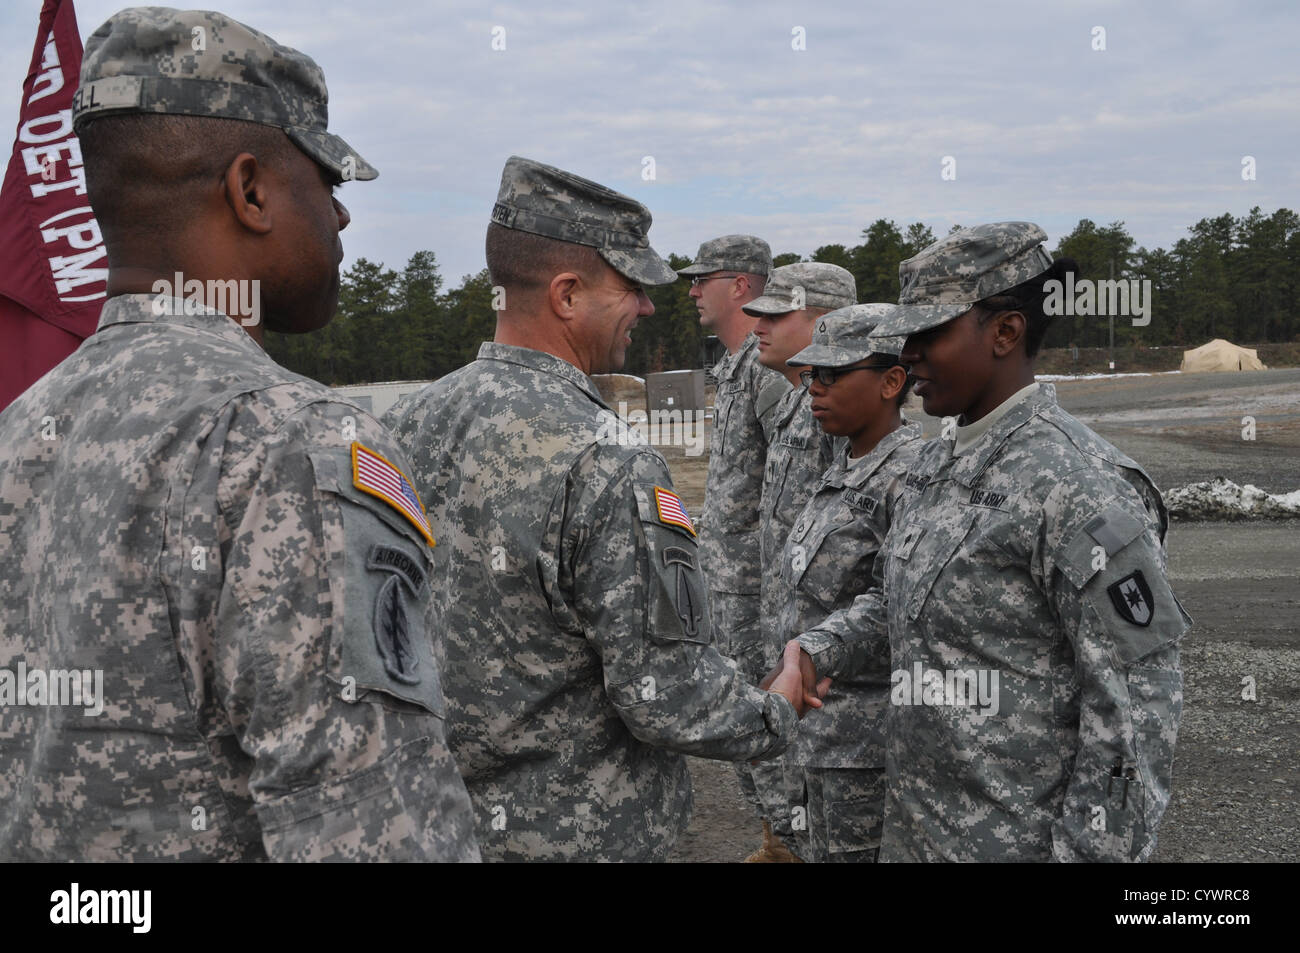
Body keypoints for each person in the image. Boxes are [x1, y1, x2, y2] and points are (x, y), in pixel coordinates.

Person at [0, 7, 479, 862]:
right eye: (325, 182)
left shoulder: (18, 429)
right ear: (250, 190)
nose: (340, 219)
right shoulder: (292, 440)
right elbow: (378, 837)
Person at [383, 156, 826, 862]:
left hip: (440, 824)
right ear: (565, 295)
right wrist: (775, 709)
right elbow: (667, 694)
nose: (649, 307)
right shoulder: (607, 459)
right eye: (630, 288)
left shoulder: (403, 426)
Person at [785, 222, 1190, 862]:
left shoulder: (1079, 486)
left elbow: (1135, 714)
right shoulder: (933, 464)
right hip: (915, 835)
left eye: (930, 334)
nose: (909, 353)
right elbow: (893, 600)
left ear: (1005, 332)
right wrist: (817, 651)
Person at [771, 303, 921, 863]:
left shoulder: (910, 476)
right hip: (816, 733)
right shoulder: (845, 466)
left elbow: (897, 604)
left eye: (834, 375)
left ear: (891, 381)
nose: (816, 388)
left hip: (865, 746)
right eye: (813, 375)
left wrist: (812, 654)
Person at [678, 235, 790, 859]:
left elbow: (795, 478)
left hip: (759, 590)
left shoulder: (767, 373)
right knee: (747, 716)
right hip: (732, 584)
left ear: (741, 286)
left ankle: (791, 845)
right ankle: (777, 840)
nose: (693, 290)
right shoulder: (740, 365)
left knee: (765, 719)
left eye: (704, 279)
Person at [742, 261, 856, 859]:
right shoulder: (791, 405)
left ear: (825, 323)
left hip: (830, 663)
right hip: (784, 640)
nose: (757, 324)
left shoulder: (845, 417)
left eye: (776, 314)